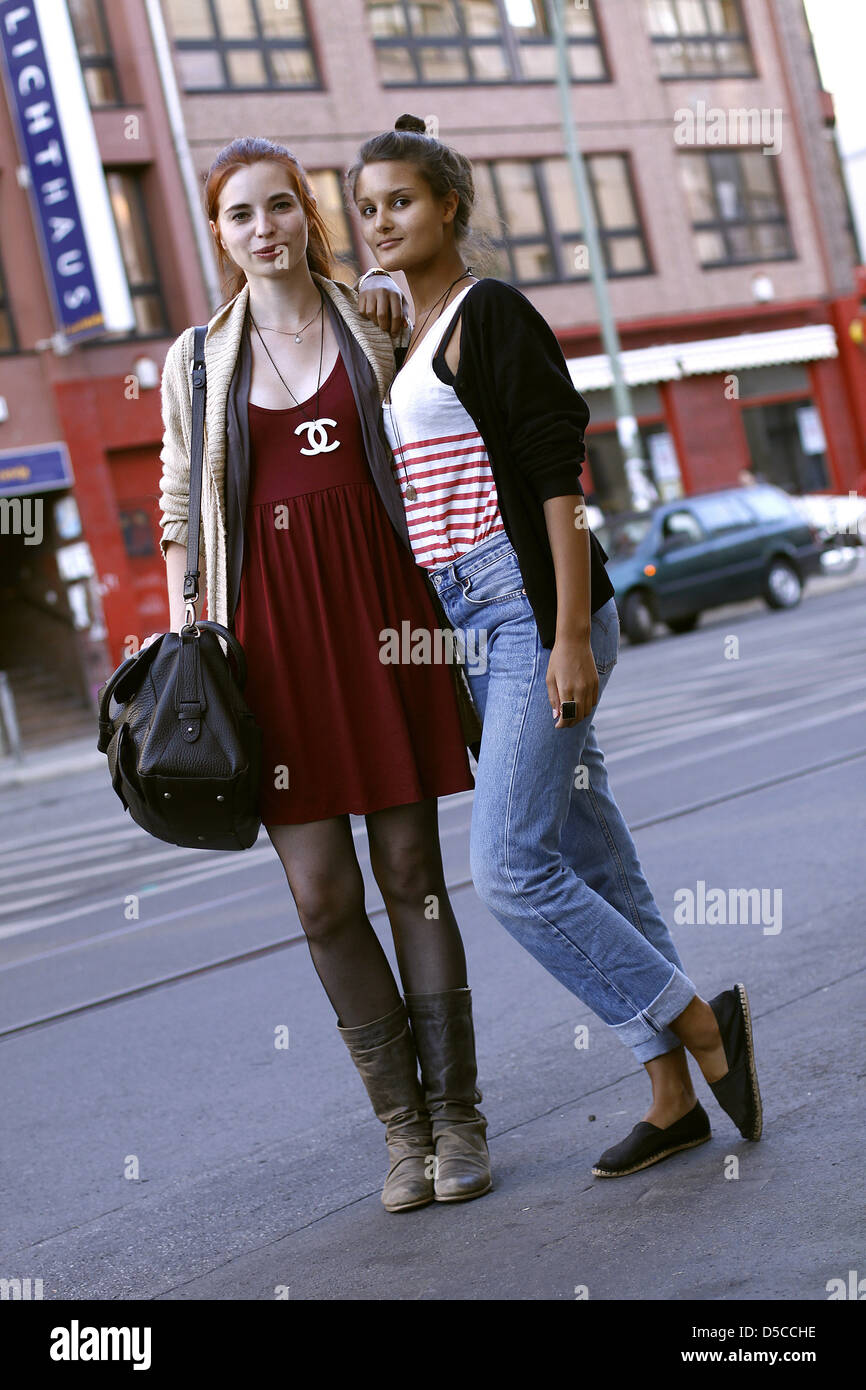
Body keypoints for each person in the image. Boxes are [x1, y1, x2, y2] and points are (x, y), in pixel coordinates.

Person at [347, 115, 762, 1178]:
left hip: (528, 606)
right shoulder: (412, 342)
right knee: (586, 851)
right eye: (366, 206)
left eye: (400, 198)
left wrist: (568, 634)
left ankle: (694, 1024)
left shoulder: (490, 314)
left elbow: (556, 481)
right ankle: (669, 1093)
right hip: (467, 619)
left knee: (512, 869)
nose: (380, 219)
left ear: (448, 205)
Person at [156, 137, 492, 1211]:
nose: (264, 228)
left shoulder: (376, 320)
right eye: (239, 215)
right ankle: (401, 1132)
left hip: (384, 625)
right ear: (219, 236)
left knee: (411, 876)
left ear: (308, 215)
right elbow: (178, 509)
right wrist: (187, 637)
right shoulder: (195, 361)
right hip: (271, 648)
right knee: (318, 896)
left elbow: (440, 444)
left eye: (280, 206)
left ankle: (459, 1119)